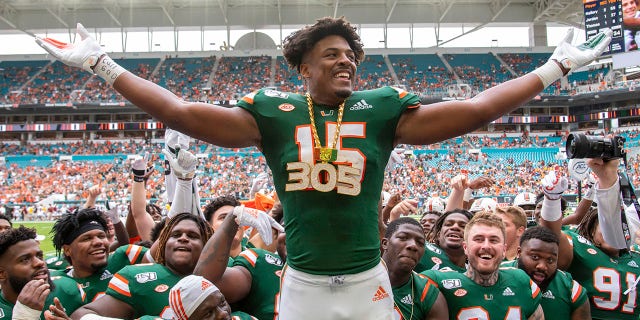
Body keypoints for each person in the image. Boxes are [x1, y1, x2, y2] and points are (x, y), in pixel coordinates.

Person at [36, 17, 611, 319]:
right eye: (332, 55)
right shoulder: (275, 112)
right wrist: (100, 64)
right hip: (305, 285)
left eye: (351, 55)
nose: (347, 62)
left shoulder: (380, 106)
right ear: (303, 68)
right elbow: (181, 111)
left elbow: (476, 110)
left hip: (368, 282)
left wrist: (556, 67)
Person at [538, 168, 640, 319]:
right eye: (606, 227)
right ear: (592, 231)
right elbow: (550, 238)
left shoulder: (636, 255)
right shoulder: (580, 246)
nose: (613, 232)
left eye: (620, 226)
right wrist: (552, 201)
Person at [69, 212, 213, 319]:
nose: (183, 238)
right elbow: (82, 315)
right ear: (163, 244)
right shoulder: (138, 279)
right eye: (175, 235)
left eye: (192, 236)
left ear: (206, 245)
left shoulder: (223, 271)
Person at [422, 212, 544, 319]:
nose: (486, 246)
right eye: (478, 239)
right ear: (465, 247)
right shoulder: (438, 282)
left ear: (503, 249)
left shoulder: (521, 281)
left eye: (494, 240)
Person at [195, 201, 284, 320]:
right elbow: (202, 286)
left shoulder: (254, 249)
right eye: (287, 228)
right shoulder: (258, 259)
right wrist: (232, 218)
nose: (297, 234)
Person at [50, 208, 148, 302]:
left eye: (101, 236)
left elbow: (159, 252)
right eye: (87, 238)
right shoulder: (56, 283)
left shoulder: (124, 258)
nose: (98, 242)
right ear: (67, 250)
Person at [502, 226, 591, 319]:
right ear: (519, 253)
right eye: (535, 257)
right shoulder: (498, 274)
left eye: (550, 260)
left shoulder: (571, 290)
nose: (542, 266)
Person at [0, 226, 85, 319]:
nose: (39, 262)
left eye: (39, 256)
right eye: (25, 259)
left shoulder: (68, 290)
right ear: (1, 273)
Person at [381, 218, 448, 320]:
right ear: (385, 243)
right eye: (403, 238)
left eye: (420, 243)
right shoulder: (359, 277)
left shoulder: (428, 293)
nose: (413, 246)